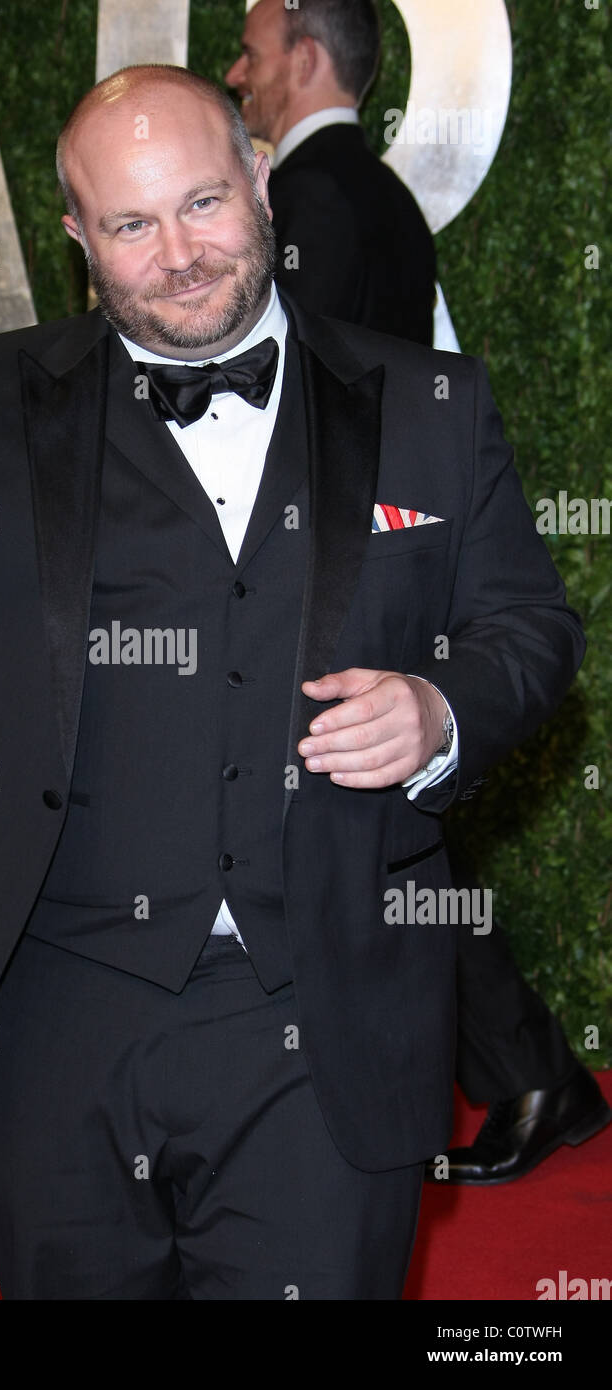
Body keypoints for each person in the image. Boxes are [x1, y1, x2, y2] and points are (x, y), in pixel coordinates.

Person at [0, 64, 584, 1298]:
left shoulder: (430, 405)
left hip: (321, 1012)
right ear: (77, 239)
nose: (176, 254)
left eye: (201, 204)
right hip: (55, 1019)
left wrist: (442, 709)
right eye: (130, 224)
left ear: (263, 186)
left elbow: (528, 626)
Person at [227, 1, 611, 1181]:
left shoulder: (315, 199)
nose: (232, 72)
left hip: (344, 574)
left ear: (302, 53)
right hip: (400, 558)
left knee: (374, 842)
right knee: (397, 839)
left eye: (245, 49)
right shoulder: (377, 193)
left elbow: (310, 407)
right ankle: (536, 1071)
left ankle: (523, 1071)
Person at [225, 0, 436, 344]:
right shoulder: (398, 199)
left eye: (252, 55)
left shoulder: (309, 194)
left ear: (305, 60)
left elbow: (286, 372)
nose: (233, 75)